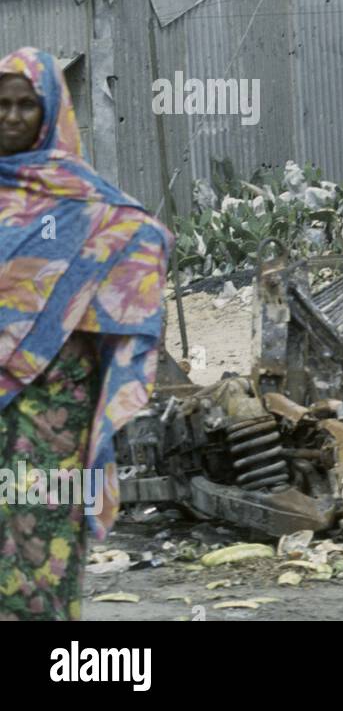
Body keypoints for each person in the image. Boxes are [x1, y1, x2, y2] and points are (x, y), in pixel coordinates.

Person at [0, 48, 171, 620]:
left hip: (54, 401)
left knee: (40, 527)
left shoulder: (84, 201)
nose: (12, 116)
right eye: (1, 103)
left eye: (28, 104)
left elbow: (141, 238)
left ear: (52, 113)